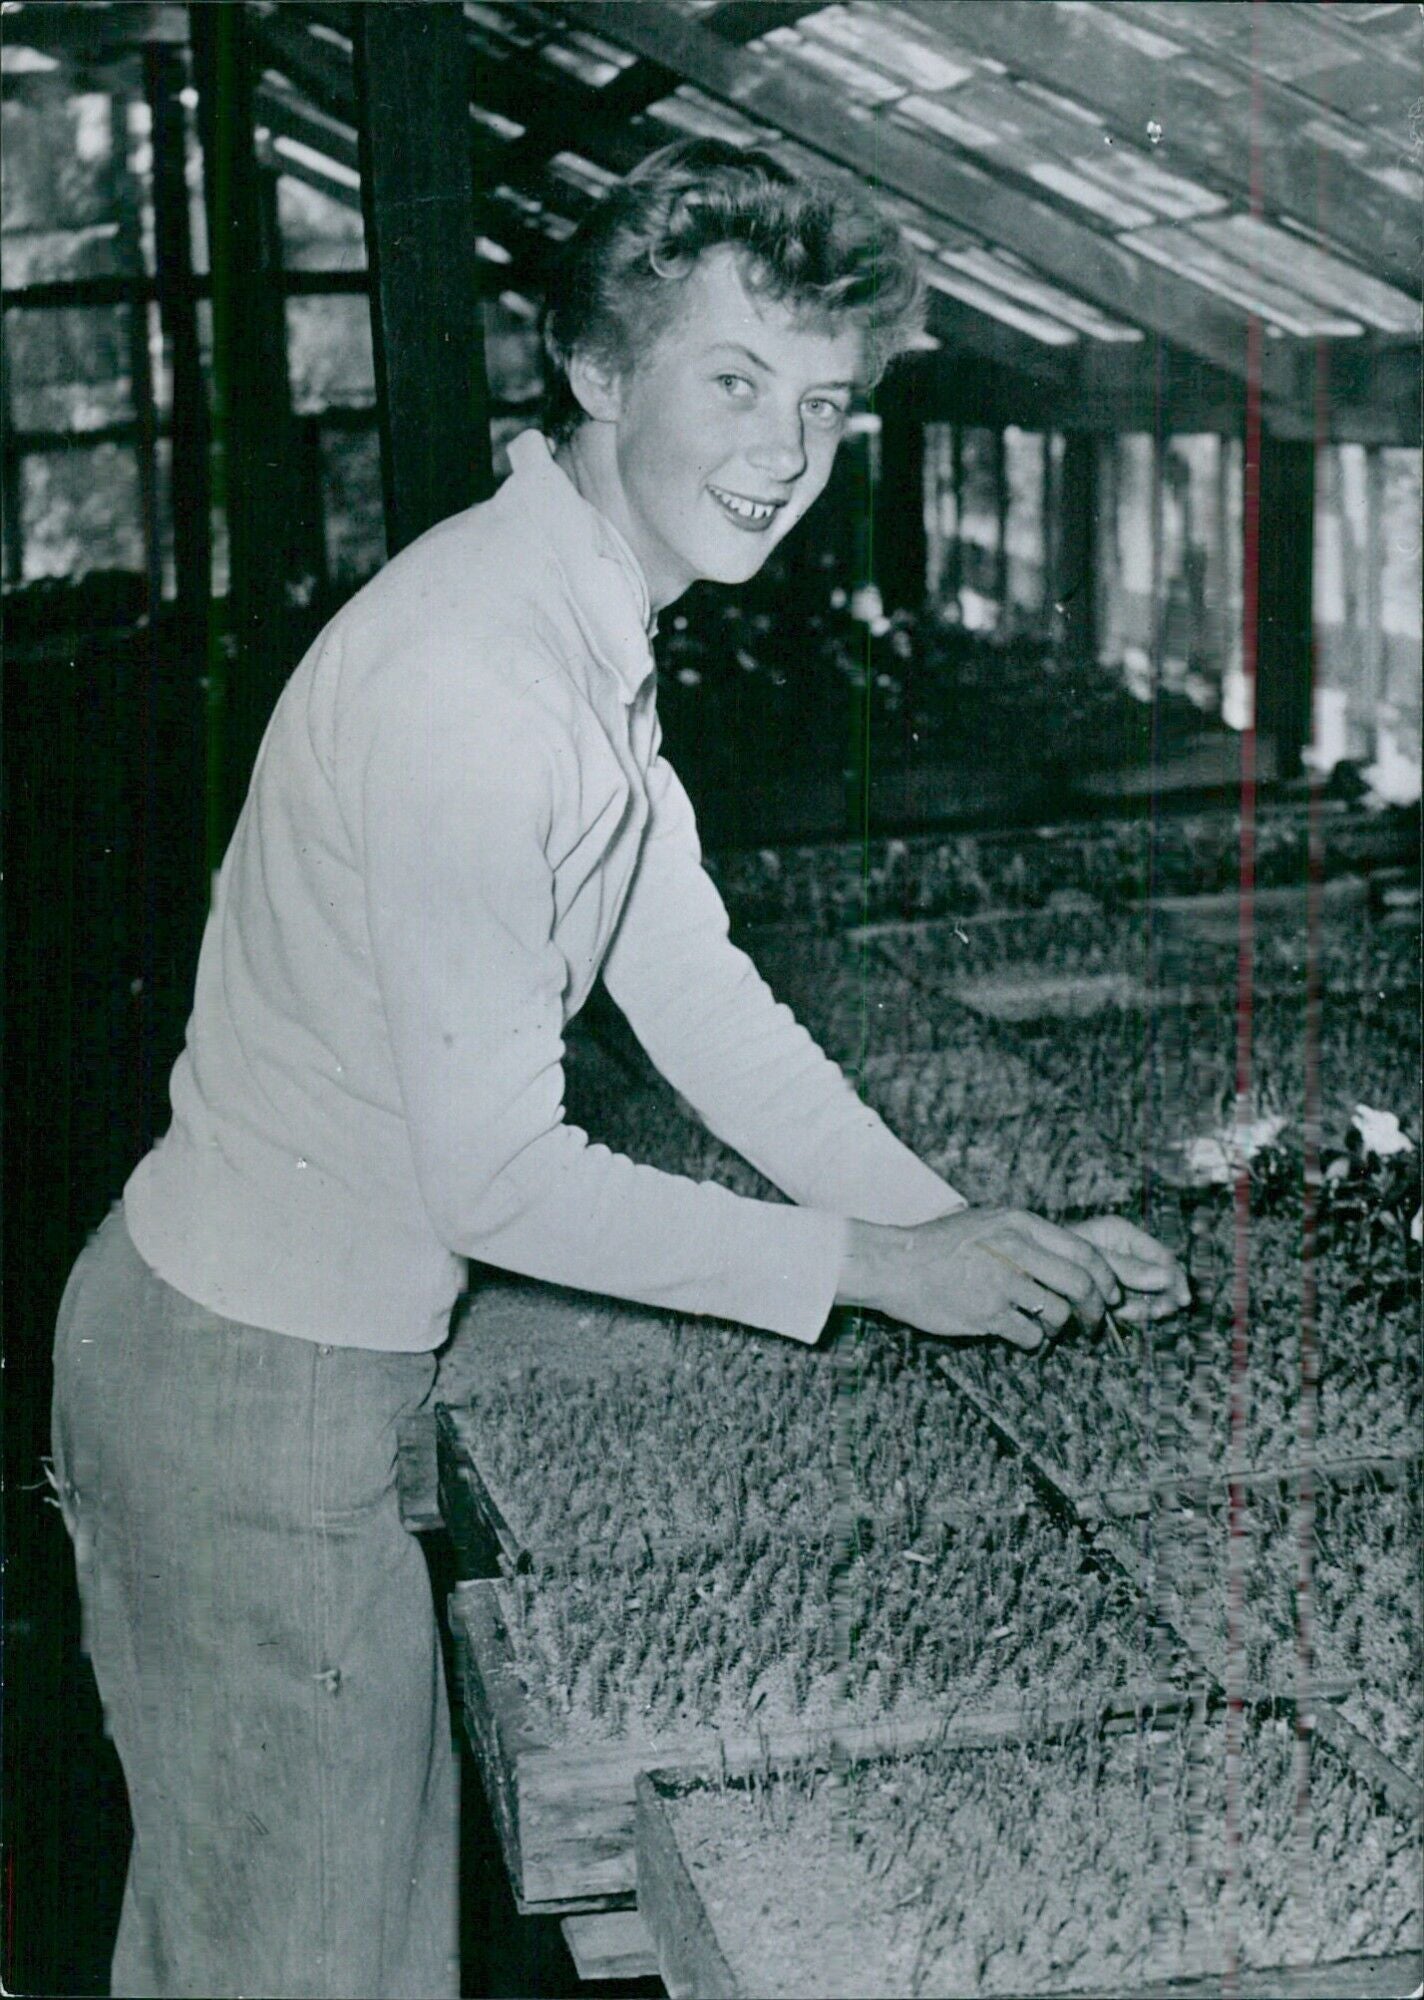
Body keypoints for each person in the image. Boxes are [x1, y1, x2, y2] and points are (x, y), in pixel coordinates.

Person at [50, 138, 1190, 2000]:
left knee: (281, 1940)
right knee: (309, 1964)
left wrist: (958, 1225)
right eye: (733, 382)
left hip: (286, 1348)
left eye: (822, 404)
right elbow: (495, 1180)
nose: (783, 453)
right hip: (246, 1383)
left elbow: (699, 992)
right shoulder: (481, 681)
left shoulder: (577, 625)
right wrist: (878, 1271)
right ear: (597, 368)